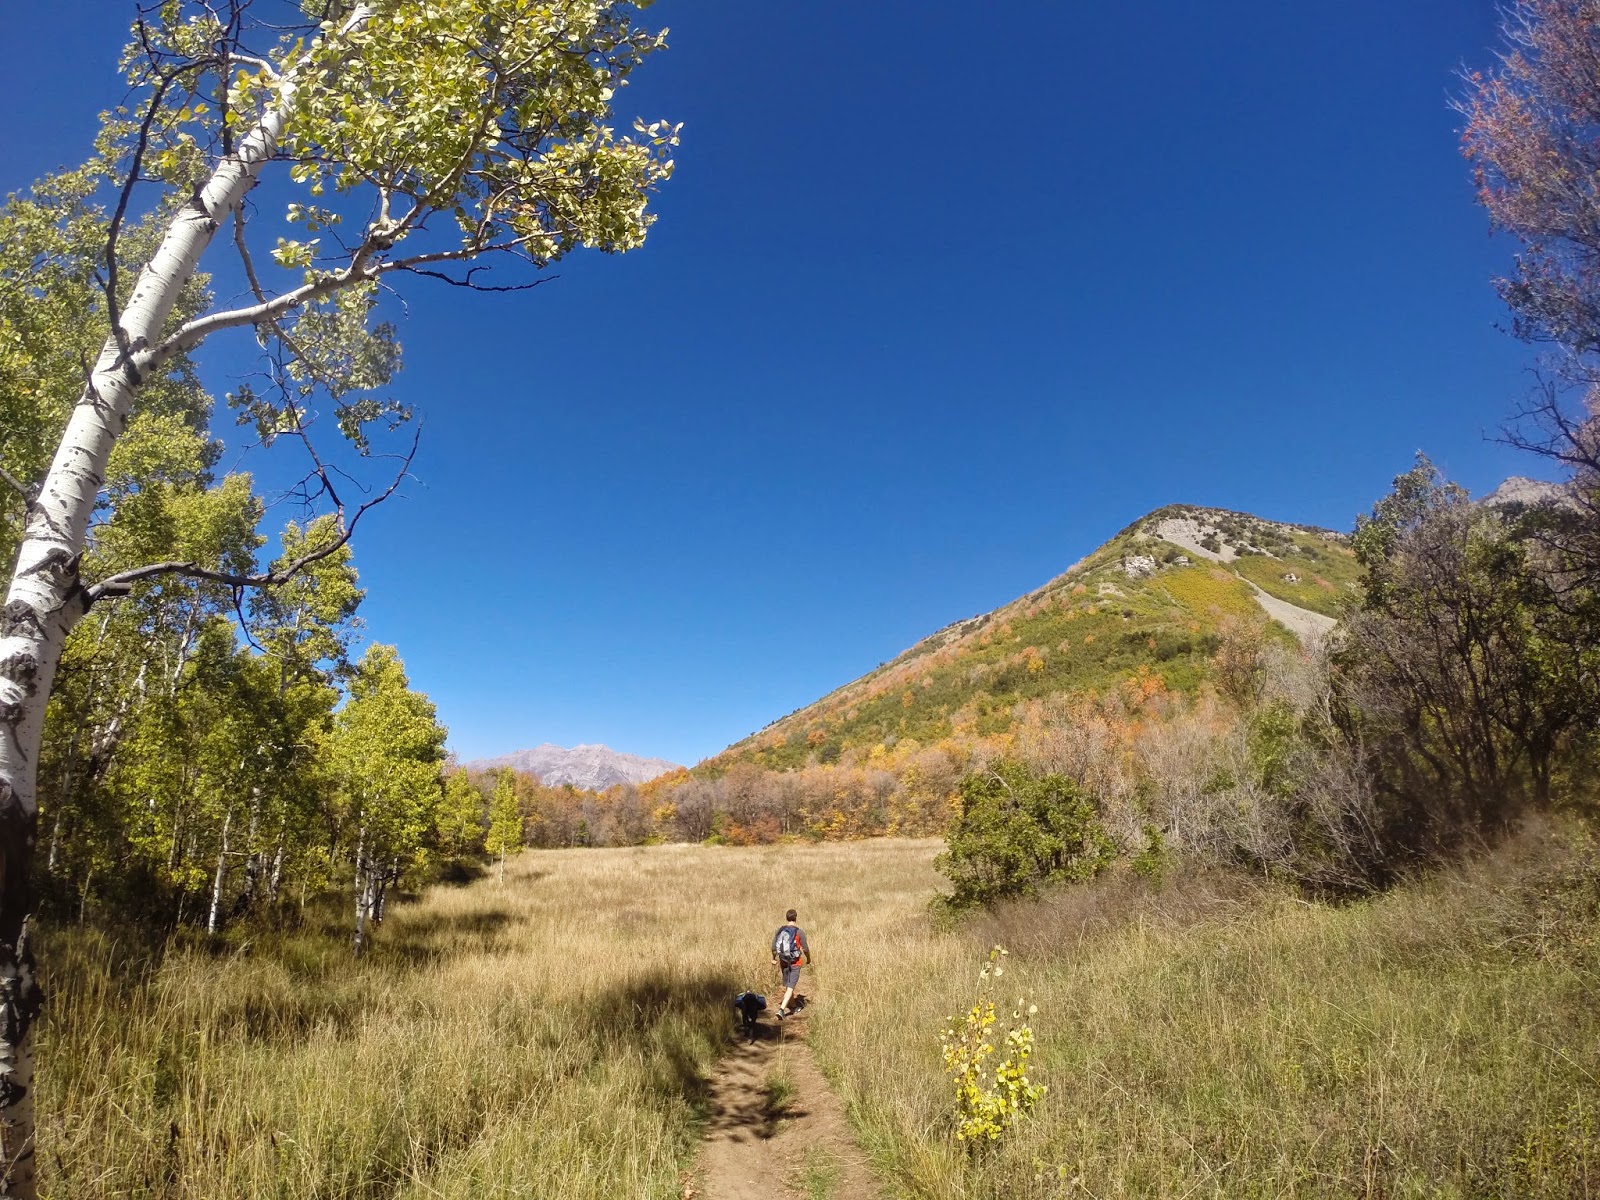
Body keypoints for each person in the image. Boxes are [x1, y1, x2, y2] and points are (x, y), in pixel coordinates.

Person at [770, 908, 811, 1017]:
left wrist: (774, 958)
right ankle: (781, 1010)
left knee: (788, 984)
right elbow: (805, 949)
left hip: (783, 961)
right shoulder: (799, 932)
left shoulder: (780, 930)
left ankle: (793, 1006)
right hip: (795, 962)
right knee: (791, 987)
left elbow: (774, 947)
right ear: (796, 918)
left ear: (786, 918)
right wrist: (808, 958)